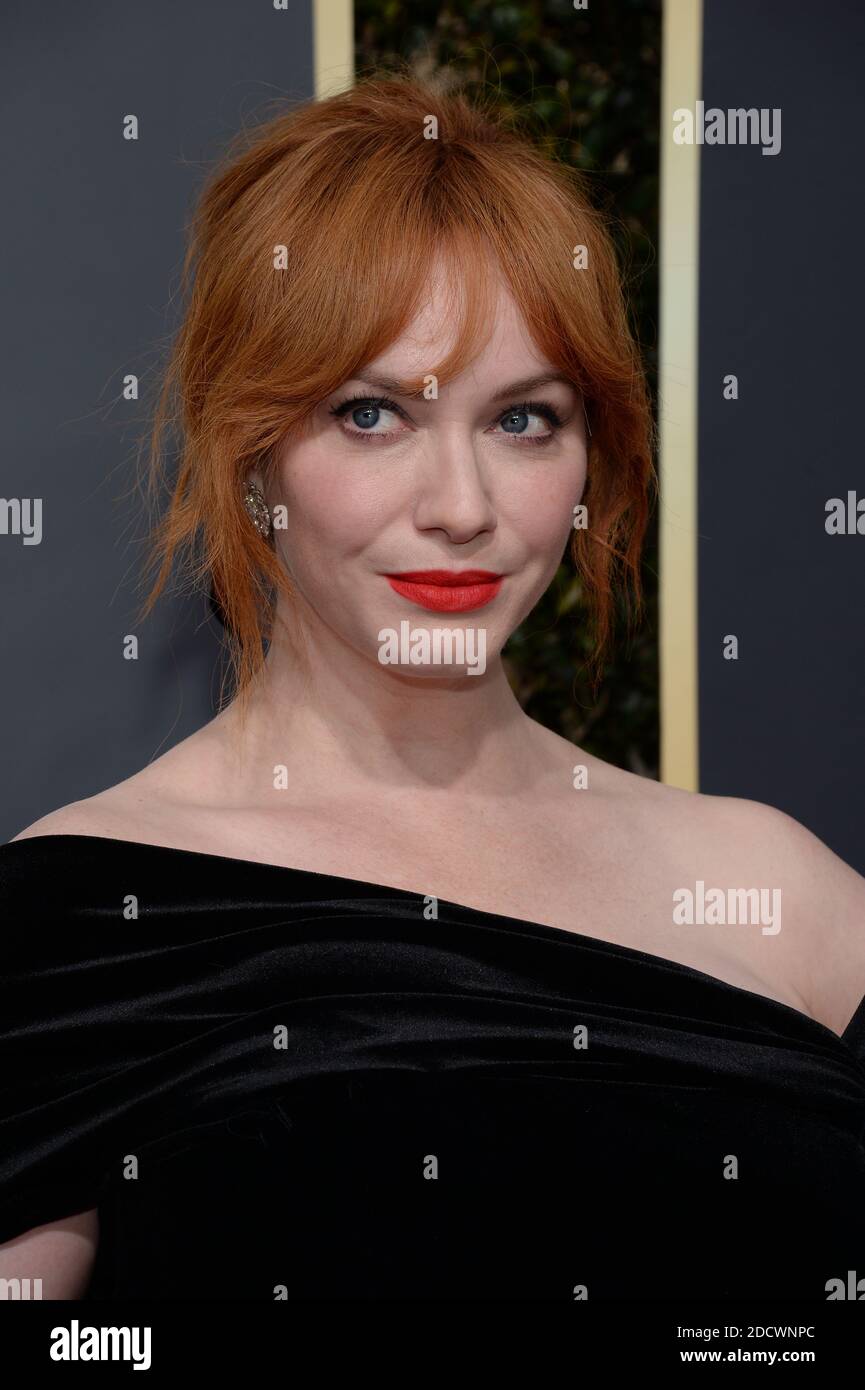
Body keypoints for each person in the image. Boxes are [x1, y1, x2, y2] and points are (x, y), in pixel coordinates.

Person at [1, 73, 864, 1302]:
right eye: (369, 415)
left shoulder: (788, 899)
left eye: (523, 421)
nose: (461, 506)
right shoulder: (84, 922)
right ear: (251, 461)